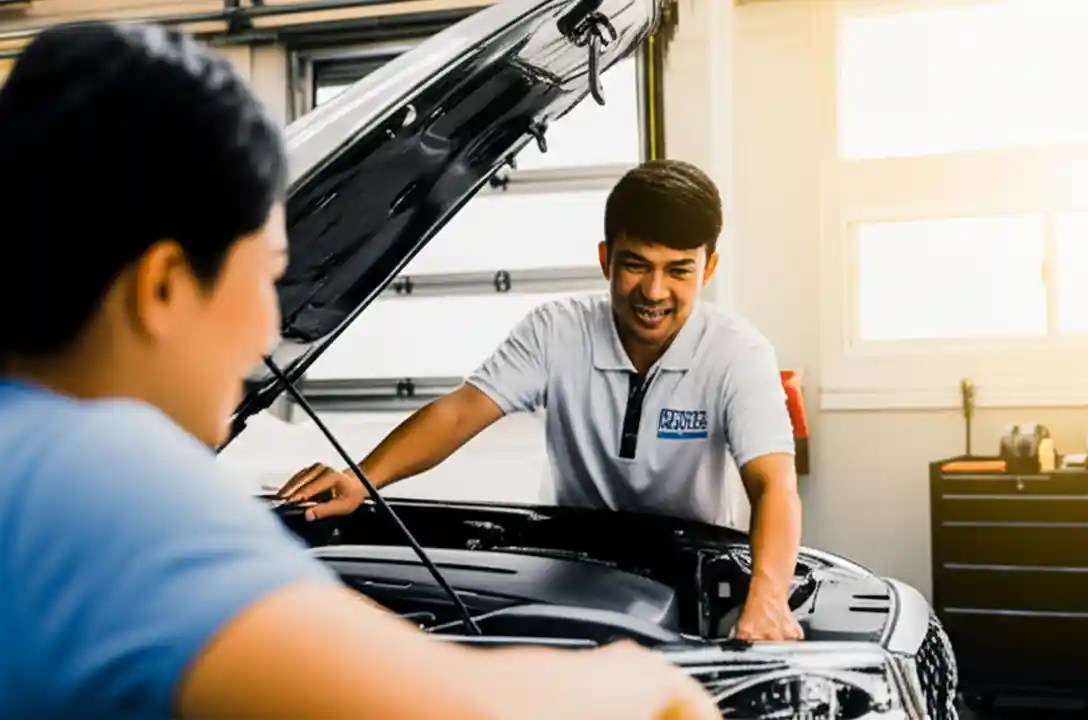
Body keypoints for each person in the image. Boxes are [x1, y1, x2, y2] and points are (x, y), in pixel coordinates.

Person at [0, 21, 721, 720]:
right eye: (269, 276)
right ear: (162, 289)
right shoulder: (108, 490)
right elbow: (469, 712)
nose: (270, 327)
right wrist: (643, 679)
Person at [278, 159, 806, 642]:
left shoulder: (739, 353)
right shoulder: (556, 331)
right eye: (636, 264)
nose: (653, 290)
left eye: (678, 270)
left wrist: (766, 595)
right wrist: (360, 478)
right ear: (605, 260)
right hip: (572, 561)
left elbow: (774, 482)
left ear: (708, 269)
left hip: (692, 567)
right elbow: (460, 412)